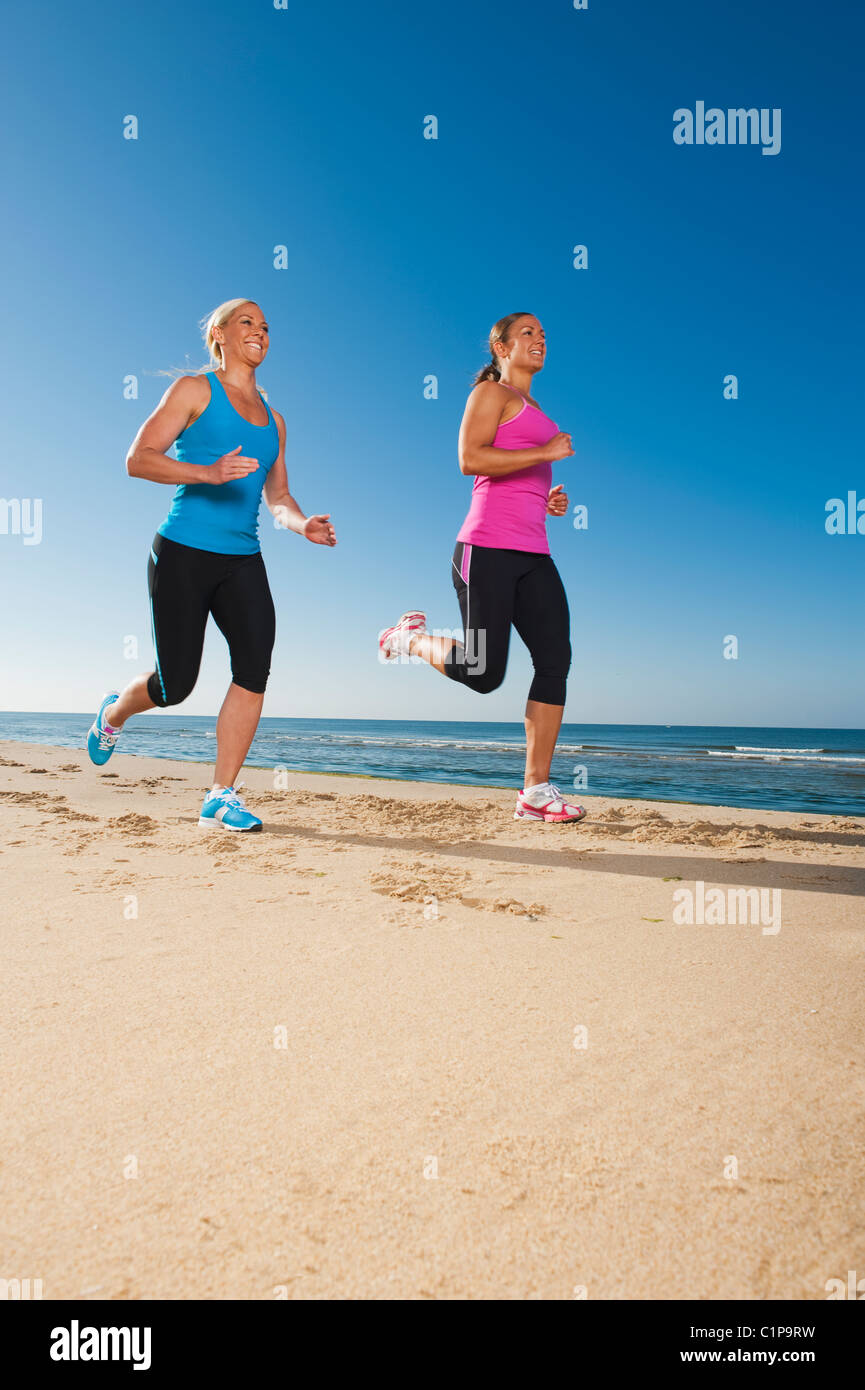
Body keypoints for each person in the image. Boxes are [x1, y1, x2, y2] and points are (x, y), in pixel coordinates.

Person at [87, 298, 337, 831]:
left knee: (254, 665)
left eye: (266, 326)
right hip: (181, 553)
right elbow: (138, 459)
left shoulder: (276, 421)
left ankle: (220, 795)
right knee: (175, 686)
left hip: (243, 560)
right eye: (247, 321)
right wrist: (207, 473)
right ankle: (114, 713)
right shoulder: (194, 390)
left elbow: (279, 497)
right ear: (219, 334)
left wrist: (301, 525)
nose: (260, 331)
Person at [379, 312, 585, 823]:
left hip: (534, 552)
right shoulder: (491, 394)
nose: (540, 339)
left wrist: (546, 499)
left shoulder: (537, 408)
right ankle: (406, 639)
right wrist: (545, 451)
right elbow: (470, 459)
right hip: (485, 549)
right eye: (528, 333)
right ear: (501, 345)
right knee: (483, 672)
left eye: (544, 333)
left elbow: (516, 477)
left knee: (555, 658)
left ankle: (535, 792)